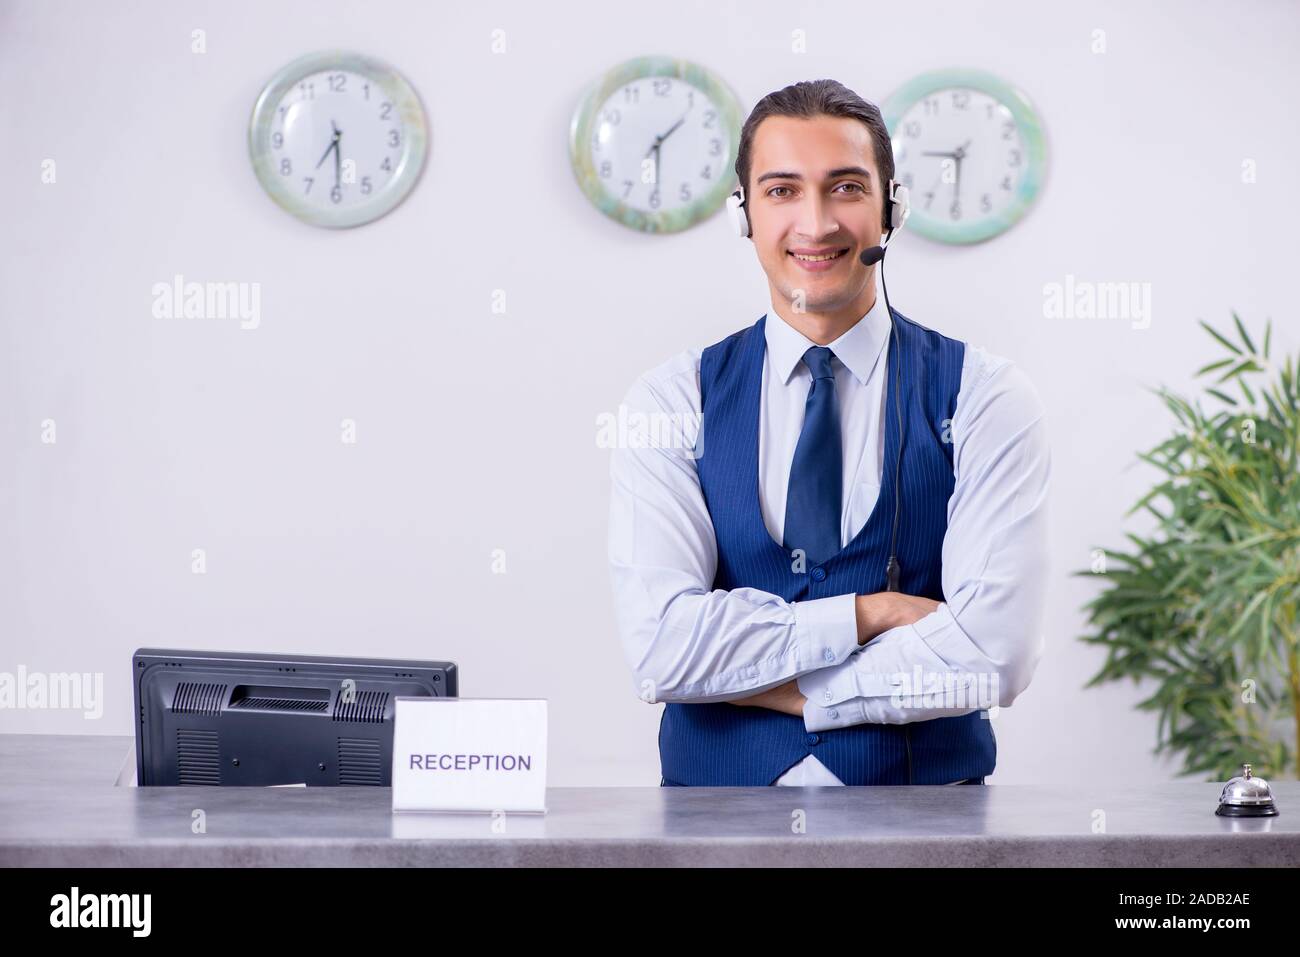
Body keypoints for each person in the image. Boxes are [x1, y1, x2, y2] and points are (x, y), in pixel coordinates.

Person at [607, 78, 1050, 787]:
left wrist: (790, 686)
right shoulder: (668, 399)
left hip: (930, 834)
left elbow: (992, 655)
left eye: (845, 187)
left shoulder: (985, 396)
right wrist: (871, 614)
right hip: (709, 834)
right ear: (743, 215)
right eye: (782, 191)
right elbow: (661, 649)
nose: (815, 225)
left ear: (890, 210)